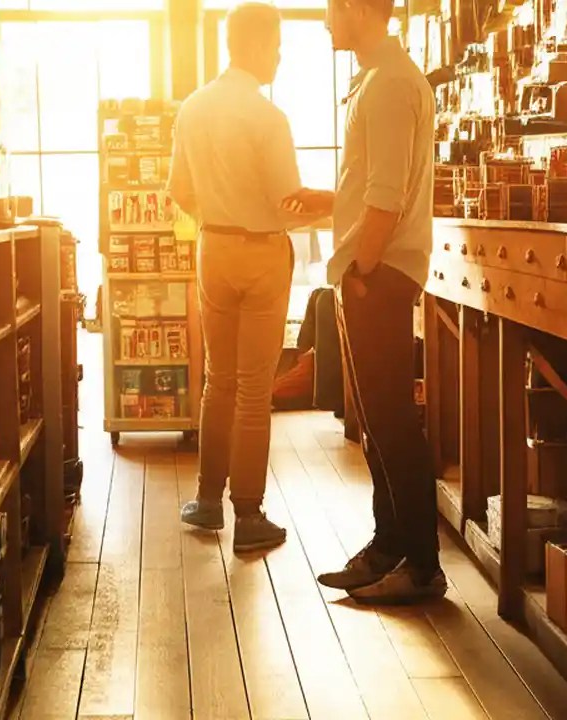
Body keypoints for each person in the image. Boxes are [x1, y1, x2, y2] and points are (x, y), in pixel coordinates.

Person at [167, 2, 331, 552]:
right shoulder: (268, 118)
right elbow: (288, 202)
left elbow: (180, 192)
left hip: (213, 245)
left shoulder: (192, 108)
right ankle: (250, 513)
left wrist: (219, 205)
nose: (280, 59)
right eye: (277, 48)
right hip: (262, 251)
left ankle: (208, 499)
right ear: (257, 46)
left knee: (219, 378)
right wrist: (338, 206)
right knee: (254, 389)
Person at [310, 0, 443, 602]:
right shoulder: (384, 80)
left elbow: (385, 197)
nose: (325, 19)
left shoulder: (388, 86)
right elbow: (373, 187)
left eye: (333, 8)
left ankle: (419, 565)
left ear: (361, 9)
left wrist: (360, 270)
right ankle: (390, 546)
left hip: (379, 273)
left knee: (390, 421)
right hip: (377, 270)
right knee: (380, 422)